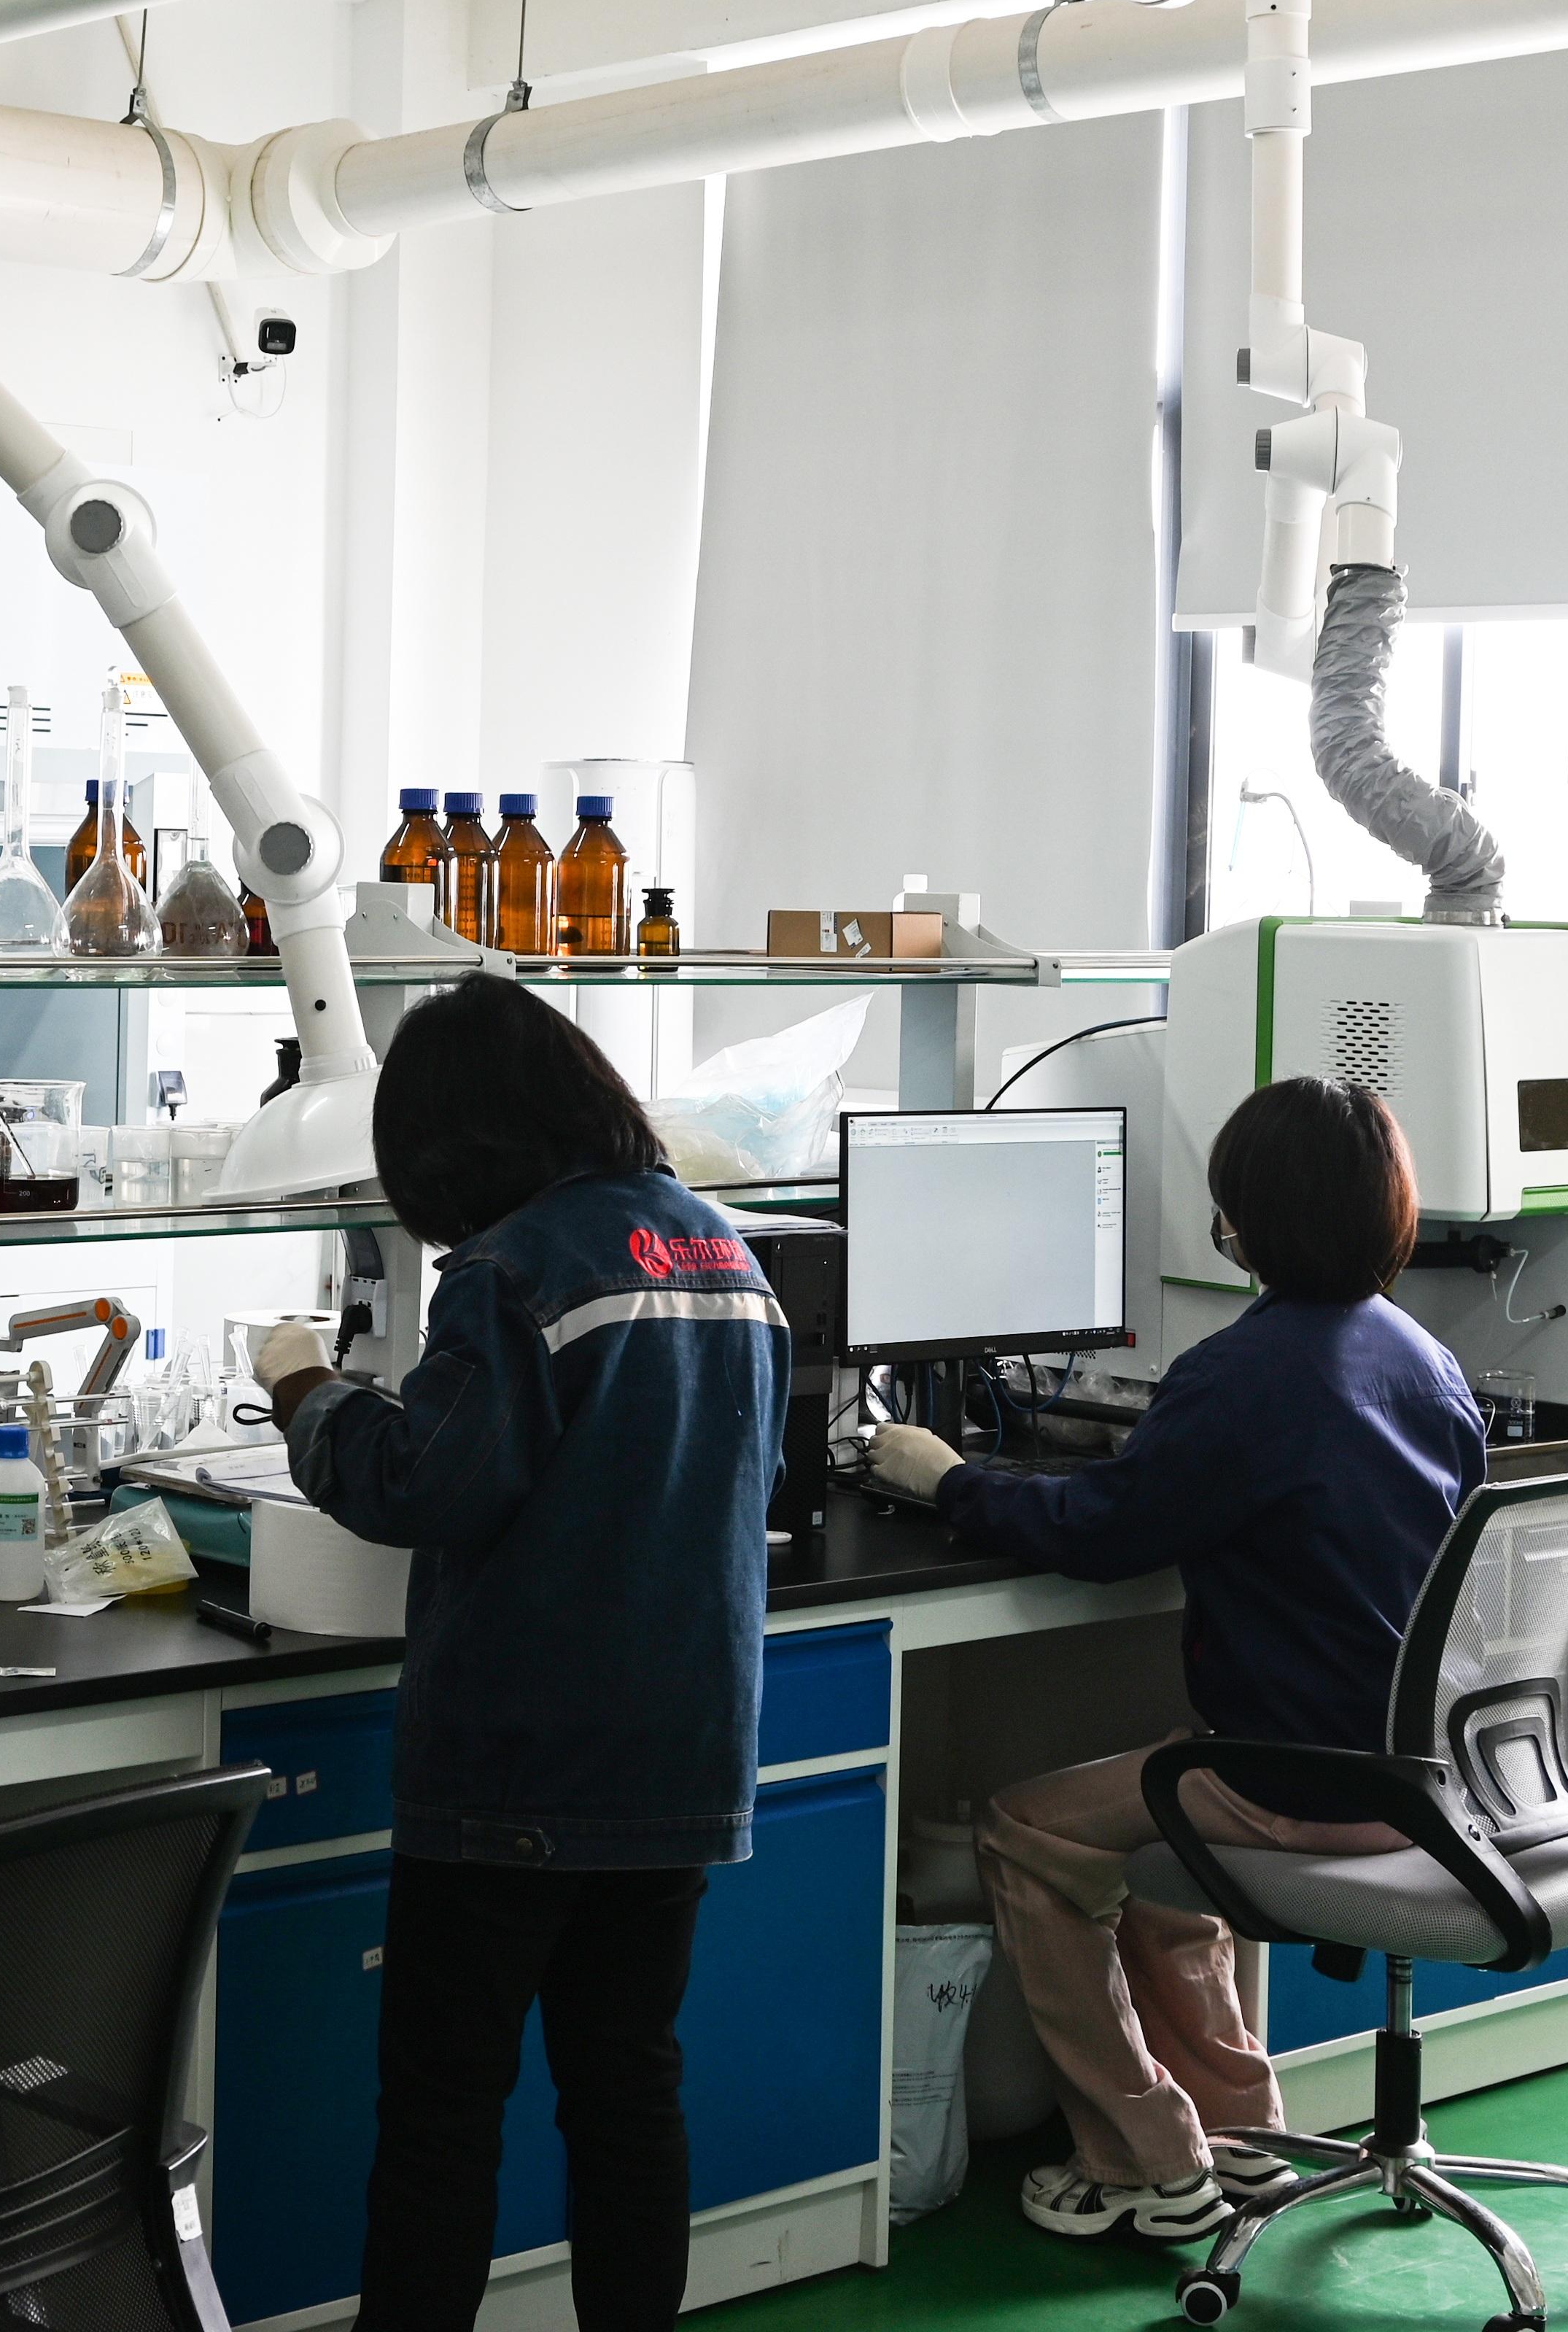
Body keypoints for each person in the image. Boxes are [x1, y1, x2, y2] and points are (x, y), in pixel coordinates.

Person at [863, 1074, 1484, 2250]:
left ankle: (1141, 2159)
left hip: (1297, 1779)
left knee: (1026, 1831)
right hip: (1420, 1775)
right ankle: (1236, 2130)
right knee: (1156, 1828)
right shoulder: (1429, 1363)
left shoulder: (1246, 1374)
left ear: (1246, 1220)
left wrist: (947, 1480)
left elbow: (1100, 1535)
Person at [252, 975, 789, 2332]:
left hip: (519, 1767)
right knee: (628, 2093)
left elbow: (418, 1484)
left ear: (452, 1144)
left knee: (444, 2114)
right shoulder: (720, 1248)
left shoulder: (514, 1271)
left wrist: (306, 1387)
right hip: (681, 1758)